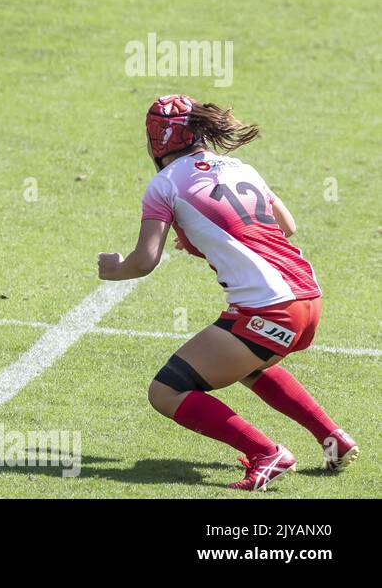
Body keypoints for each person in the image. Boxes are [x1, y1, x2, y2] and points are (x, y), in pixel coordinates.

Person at [98, 94, 357, 490]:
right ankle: (332, 440)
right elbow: (285, 226)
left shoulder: (164, 184)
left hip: (271, 310)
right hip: (307, 297)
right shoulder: (240, 166)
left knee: (167, 390)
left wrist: (114, 269)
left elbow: (144, 261)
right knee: (247, 364)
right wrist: (208, 239)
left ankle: (265, 453)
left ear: (156, 140)